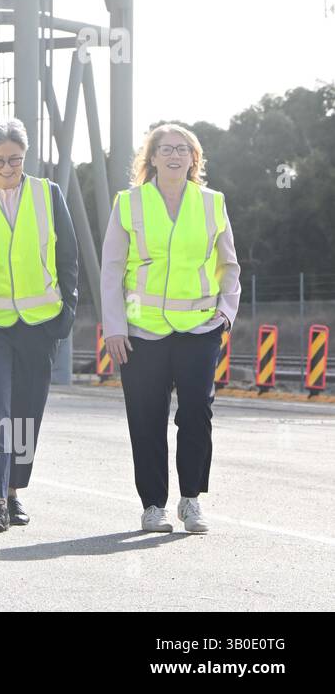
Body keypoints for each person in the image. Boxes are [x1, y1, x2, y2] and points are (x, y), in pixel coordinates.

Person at [102, 123, 240, 534]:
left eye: (183, 149)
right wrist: (114, 326)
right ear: (152, 158)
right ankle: (152, 505)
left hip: (199, 328)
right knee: (146, 418)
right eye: (166, 149)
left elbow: (228, 264)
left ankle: (191, 499)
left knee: (197, 412)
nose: (175, 156)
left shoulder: (212, 203)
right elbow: (111, 269)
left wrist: (226, 313)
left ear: (194, 159)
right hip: (142, 332)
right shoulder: (128, 204)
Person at [0, 118, 78, 532]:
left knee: (27, 411)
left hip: (39, 321)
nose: (7, 168)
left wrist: (66, 314)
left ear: (25, 157)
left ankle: (14, 493)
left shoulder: (49, 194)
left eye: (15, 159)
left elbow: (68, 257)